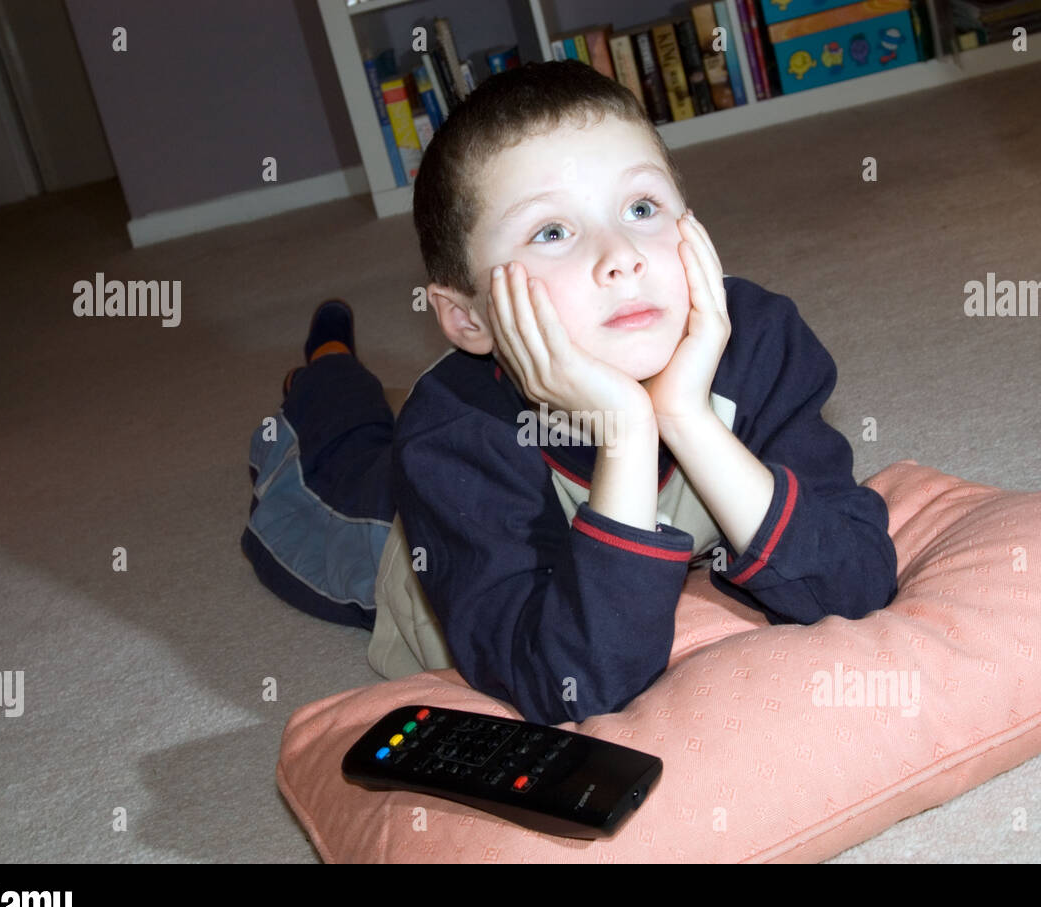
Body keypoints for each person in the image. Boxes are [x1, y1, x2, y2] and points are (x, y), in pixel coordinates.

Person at [243, 59, 898, 726]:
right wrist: (627, 434)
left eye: (642, 208)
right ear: (468, 317)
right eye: (551, 232)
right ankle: (325, 369)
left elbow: (854, 584)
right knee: (339, 456)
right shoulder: (451, 442)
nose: (622, 254)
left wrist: (685, 418)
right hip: (395, 534)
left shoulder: (757, 340)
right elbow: (575, 685)